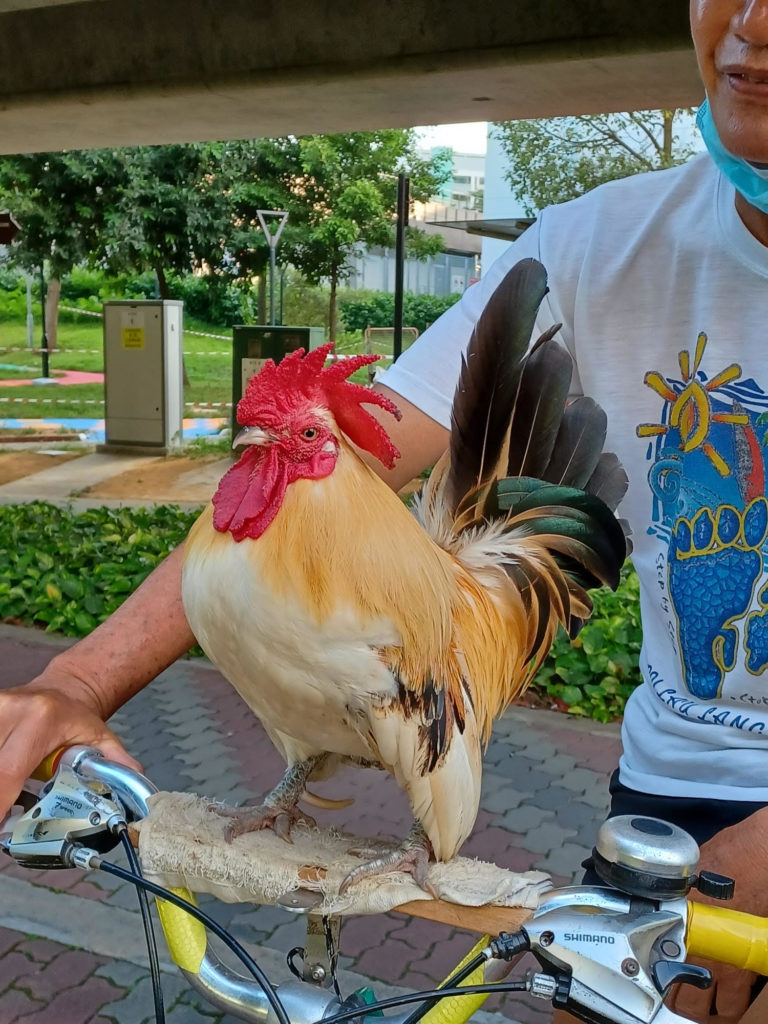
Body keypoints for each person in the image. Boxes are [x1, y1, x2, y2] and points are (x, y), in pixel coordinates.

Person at [2, 1, 768, 1019]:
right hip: (663, 804)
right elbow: (327, 471)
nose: (750, 20)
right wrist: (74, 680)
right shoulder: (598, 246)